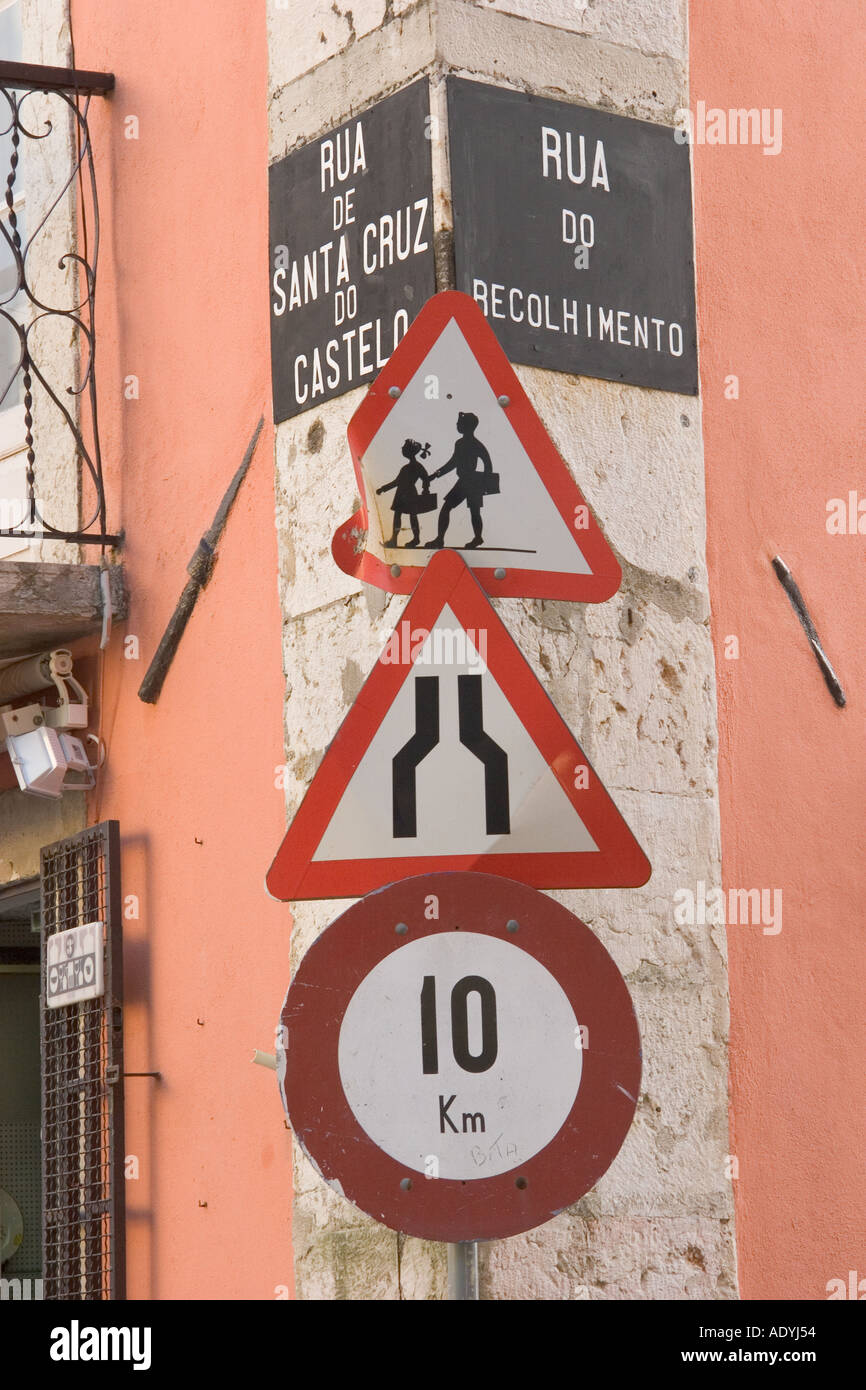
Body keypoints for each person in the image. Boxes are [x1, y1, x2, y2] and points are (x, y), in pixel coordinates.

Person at [427, 412, 493, 549]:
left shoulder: (475, 444)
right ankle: (474, 538)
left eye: (459, 423)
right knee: (472, 511)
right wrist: (436, 475)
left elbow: (487, 462)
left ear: (466, 426)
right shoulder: (460, 443)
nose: (457, 425)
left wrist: (485, 481)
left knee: (452, 509)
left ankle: (442, 539)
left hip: (470, 482)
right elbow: (453, 463)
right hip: (466, 481)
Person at [376, 439, 432, 548]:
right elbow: (397, 482)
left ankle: (415, 539)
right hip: (402, 493)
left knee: (412, 516)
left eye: (404, 448)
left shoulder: (415, 466)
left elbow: (425, 478)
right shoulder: (407, 467)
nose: (402, 449)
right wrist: (383, 489)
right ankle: (394, 539)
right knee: (400, 515)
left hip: (409, 493)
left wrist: (425, 490)